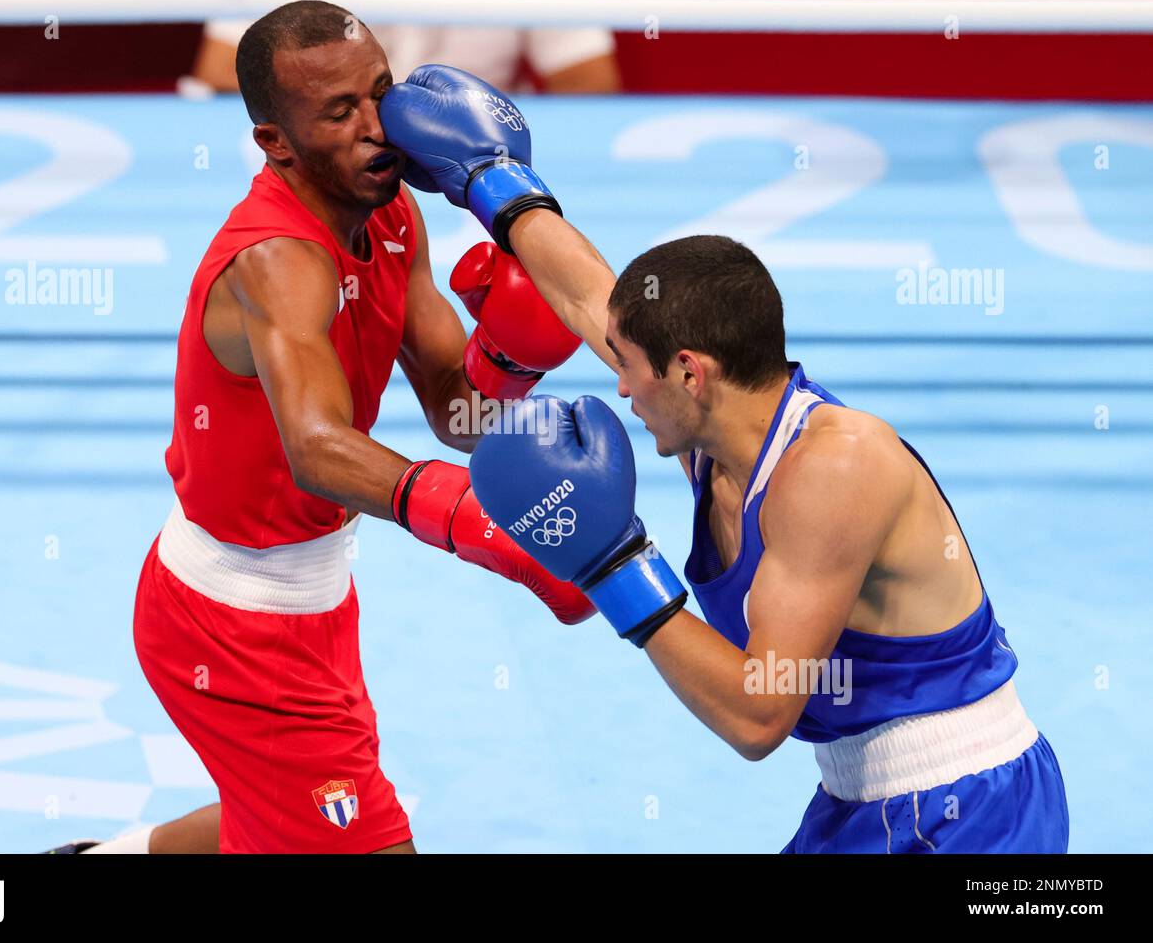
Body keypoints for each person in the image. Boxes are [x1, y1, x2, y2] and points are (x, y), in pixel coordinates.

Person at [377, 65, 1070, 852]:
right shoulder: (721, 428)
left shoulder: (835, 469)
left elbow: (756, 715)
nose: (618, 386)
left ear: (688, 372)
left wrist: (614, 564)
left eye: (629, 367)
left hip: (966, 811)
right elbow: (585, 295)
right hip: (861, 801)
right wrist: (495, 183)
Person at [69, 3, 592, 856]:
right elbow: (314, 449)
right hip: (228, 622)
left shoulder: (392, 218)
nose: (377, 129)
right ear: (277, 143)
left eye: (380, 93)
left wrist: (511, 350)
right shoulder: (276, 260)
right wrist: (479, 525)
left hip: (316, 597)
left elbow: (460, 414)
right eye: (339, 113)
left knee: (281, 819)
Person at [188, 0, 620, 96]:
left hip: (466, 155)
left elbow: (589, 79)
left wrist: (487, 125)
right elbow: (224, 68)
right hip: (324, 146)